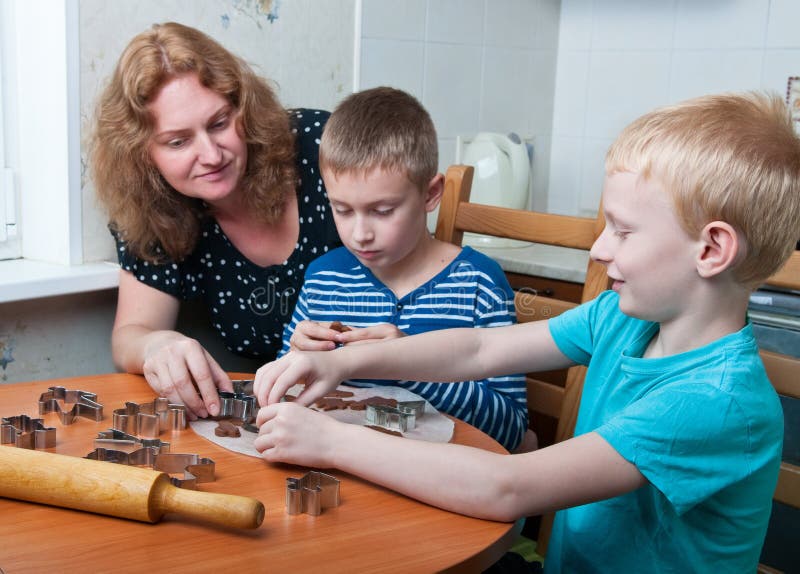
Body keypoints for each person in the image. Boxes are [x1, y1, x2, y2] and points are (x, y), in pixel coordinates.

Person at [252, 91, 800, 572]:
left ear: (711, 250)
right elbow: (481, 346)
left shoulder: (714, 402)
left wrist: (329, 441)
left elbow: (506, 487)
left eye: (623, 230)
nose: (599, 248)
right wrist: (342, 362)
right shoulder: (623, 318)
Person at [90, 22, 340, 419]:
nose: (210, 154)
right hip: (286, 418)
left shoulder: (321, 147)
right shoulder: (150, 209)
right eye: (178, 141)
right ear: (142, 155)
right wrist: (157, 346)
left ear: (244, 108)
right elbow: (130, 335)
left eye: (220, 123)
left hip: (379, 392)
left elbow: (419, 275)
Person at [279, 87, 528, 451]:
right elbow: (277, 397)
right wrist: (297, 358)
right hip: (347, 474)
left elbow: (510, 430)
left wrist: (408, 363)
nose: (359, 234)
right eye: (343, 209)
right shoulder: (324, 279)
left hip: (446, 484)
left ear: (430, 194)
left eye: (382, 211)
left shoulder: (478, 284)